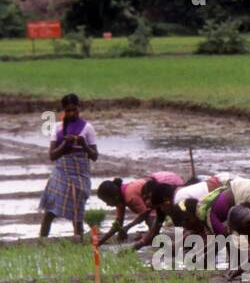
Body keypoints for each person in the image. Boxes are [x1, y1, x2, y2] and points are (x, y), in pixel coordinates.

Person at [38, 94, 99, 242]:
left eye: (75, 110)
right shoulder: (58, 128)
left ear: (79, 108)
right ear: (64, 110)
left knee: (77, 212)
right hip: (61, 173)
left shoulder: (87, 128)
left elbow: (94, 156)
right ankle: (41, 241)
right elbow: (52, 156)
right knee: (51, 210)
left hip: (80, 173)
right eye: (68, 110)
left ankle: (79, 241)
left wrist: (83, 144)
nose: (72, 113)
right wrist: (65, 144)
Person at [96, 172, 184, 243]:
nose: (107, 204)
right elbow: (118, 224)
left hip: (168, 181)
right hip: (159, 181)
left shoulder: (130, 195)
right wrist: (101, 241)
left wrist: (127, 227)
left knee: (167, 212)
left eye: (106, 201)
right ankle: (154, 236)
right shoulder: (120, 201)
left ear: (114, 197)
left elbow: (145, 214)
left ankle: (156, 236)